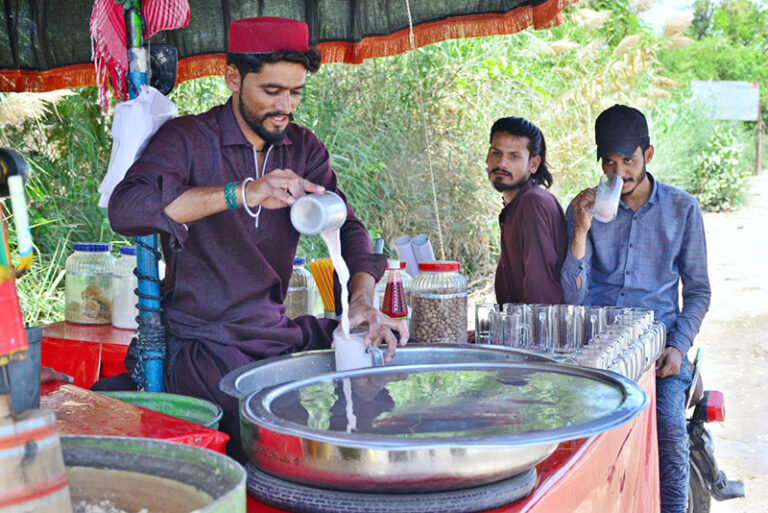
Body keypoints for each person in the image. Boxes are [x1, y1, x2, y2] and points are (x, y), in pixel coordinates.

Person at [93, 16, 408, 458]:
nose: (285, 107)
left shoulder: (302, 148)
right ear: (233, 78)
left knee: (382, 369)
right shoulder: (188, 139)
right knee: (264, 430)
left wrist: (360, 301)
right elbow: (127, 208)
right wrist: (240, 193)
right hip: (204, 339)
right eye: (271, 91)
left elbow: (349, 229)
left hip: (273, 331)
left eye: (296, 92)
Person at [561, 104, 711, 513]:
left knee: (668, 428)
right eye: (609, 162)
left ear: (649, 154)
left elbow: (699, 292)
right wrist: (580, 232)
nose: (619, 173)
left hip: (659, 347)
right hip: (597, 345)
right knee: (575, 432)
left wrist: (678, 347)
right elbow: (573, 299)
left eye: (628, 161)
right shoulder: (584, 210)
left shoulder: (682, 209)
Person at [487, 117, 567, 305]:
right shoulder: (516, 205)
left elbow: (540, 295)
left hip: (537, 322)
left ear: (534, 164)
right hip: (517, 321)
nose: (502, 163)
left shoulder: (533, 204)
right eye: (497, 153)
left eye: (514, 156)